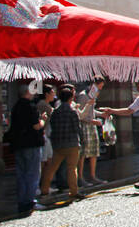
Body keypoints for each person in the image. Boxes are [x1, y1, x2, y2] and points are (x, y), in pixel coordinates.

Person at [40, 85, 84, 202]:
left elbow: (53, 126)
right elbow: (77, 128)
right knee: (71, 168)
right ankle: (73, 192)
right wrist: (82, 141)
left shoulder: (55, 112)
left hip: (58, 144)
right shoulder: (72, 112)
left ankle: (44, 189)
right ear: (71, 98)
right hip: (72, 143)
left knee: (52, 168)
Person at [9, 83, 47, 217]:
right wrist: (43, 120)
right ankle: (30, 201)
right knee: (32, 174)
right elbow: (36, 126)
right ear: (27, 92)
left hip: (19, 145)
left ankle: (22, 202)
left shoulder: (16, 107)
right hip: (31, 143)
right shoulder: (30, 107)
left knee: (21, 174)